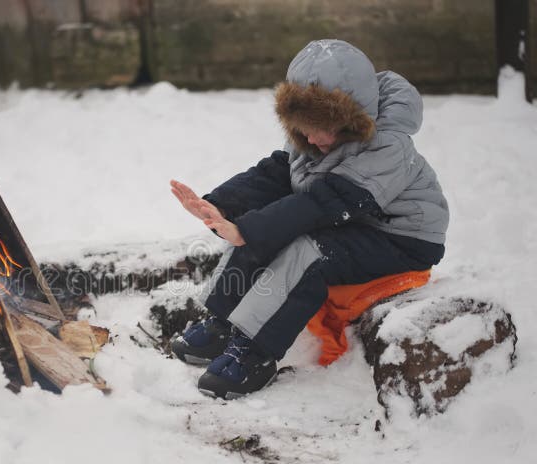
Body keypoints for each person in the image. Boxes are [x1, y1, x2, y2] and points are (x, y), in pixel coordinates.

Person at [169, 39, 449, 400]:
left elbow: (322, 202)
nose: (312, 138)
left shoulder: (388, 146)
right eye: (303, 127)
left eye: (323, 126)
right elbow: (277, 174)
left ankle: (254, 352)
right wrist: (221, 207)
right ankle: (223, 321)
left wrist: (248, 230)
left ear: (354, 118)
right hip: (349, 219)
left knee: (306, 250)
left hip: (399, 237)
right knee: (263, 232)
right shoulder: (313, 139)